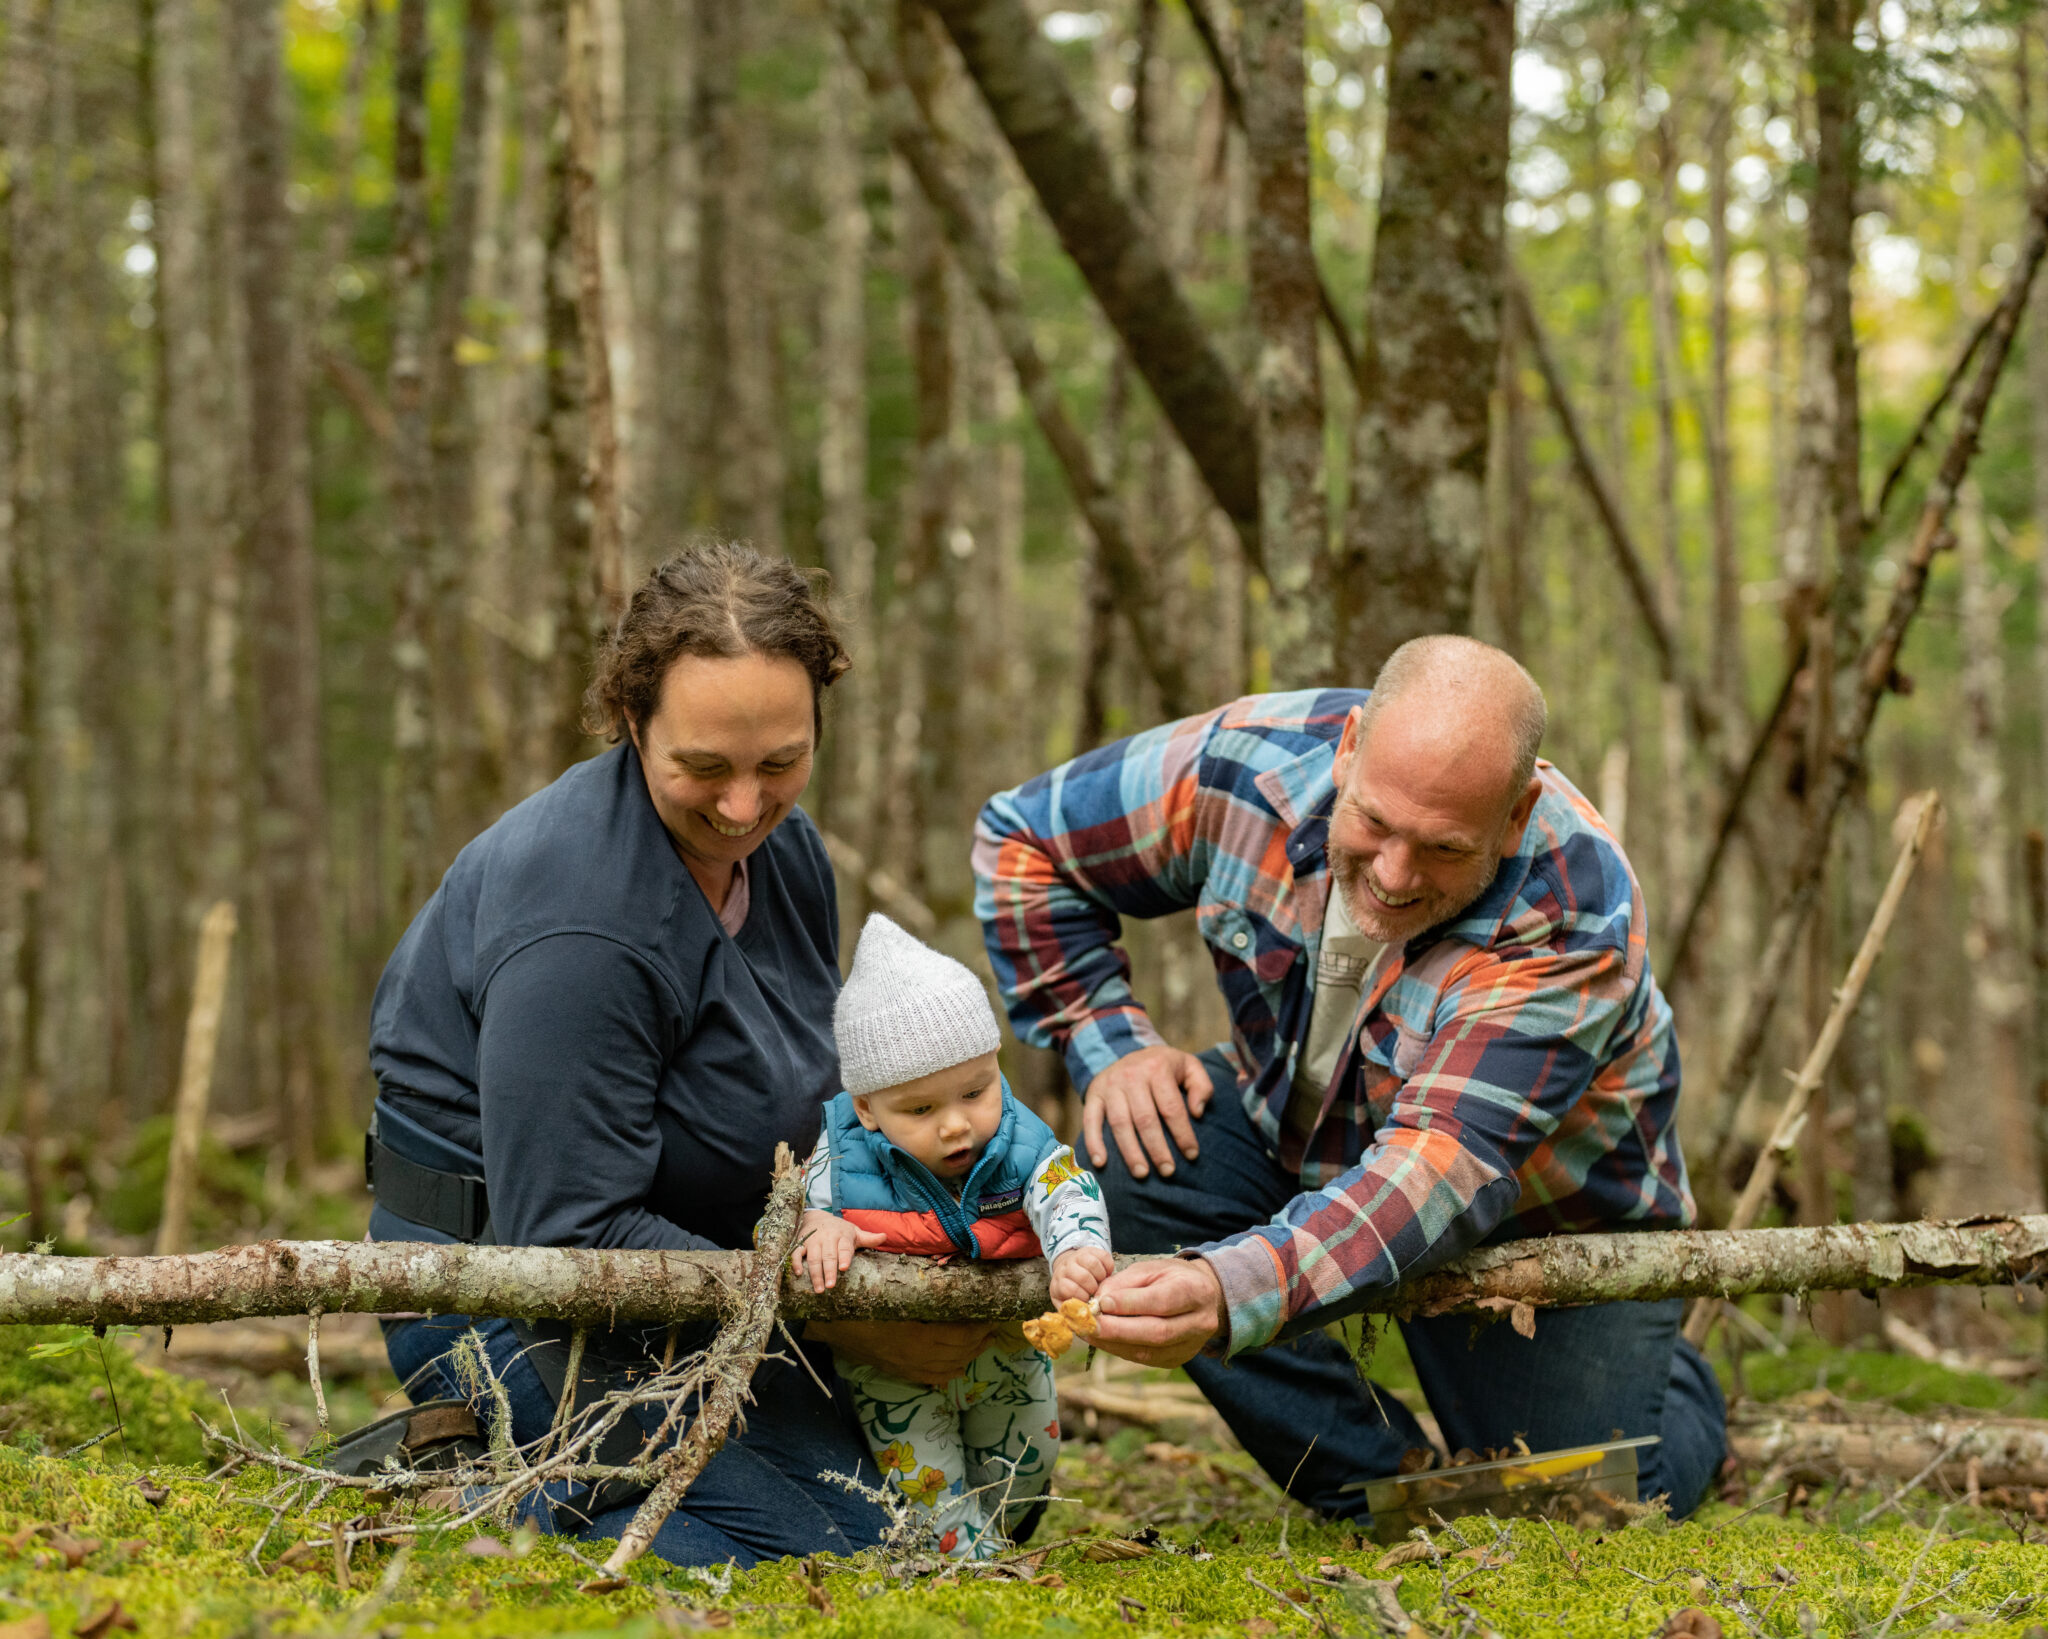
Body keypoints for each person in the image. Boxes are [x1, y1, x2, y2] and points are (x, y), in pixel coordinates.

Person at [973, 635, 1726, 1521]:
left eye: (1444, 848)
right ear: (1349, 747)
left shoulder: (1572, 906)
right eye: (1374, 822)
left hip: (1533, 1222)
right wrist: (1110, 1041)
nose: (1394, 875)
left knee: (1594, 1495)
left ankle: (1667, 1380)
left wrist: (1227, 1291)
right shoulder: (1246, 766)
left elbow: (1436, 1169)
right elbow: (1023, 839)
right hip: (1294, 1134)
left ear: (1516, 815)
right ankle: (1383, 1487)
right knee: (1133, 1150)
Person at [365, 541, 900, 1567]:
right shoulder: (581, 922)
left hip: (706, 1283)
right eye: (704, 767)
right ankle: (470, 1498)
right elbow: (569, 1234)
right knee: (819, 1557)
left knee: (908, 1521)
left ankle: (565, 1488)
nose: (742, 806)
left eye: (778, 763)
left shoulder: (784, 852)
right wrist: (806, 1298)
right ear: (630, 718)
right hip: (508, 1292)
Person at [791, 913, 1113, 1560]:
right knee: (931, 1493)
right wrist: (816, 1224)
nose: (956, 1125)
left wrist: (1077, 1247)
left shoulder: (1018, 1142)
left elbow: (1065, 1187)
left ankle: (1002, 1539)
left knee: (1026, 1466)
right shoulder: (840, 1162)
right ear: (866, 1108)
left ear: (995, 1064)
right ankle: (969, 1573)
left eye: (974, 1091)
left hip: (1006, 1354)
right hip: (893, 1370)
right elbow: (789, 1221)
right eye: (921, 1109)